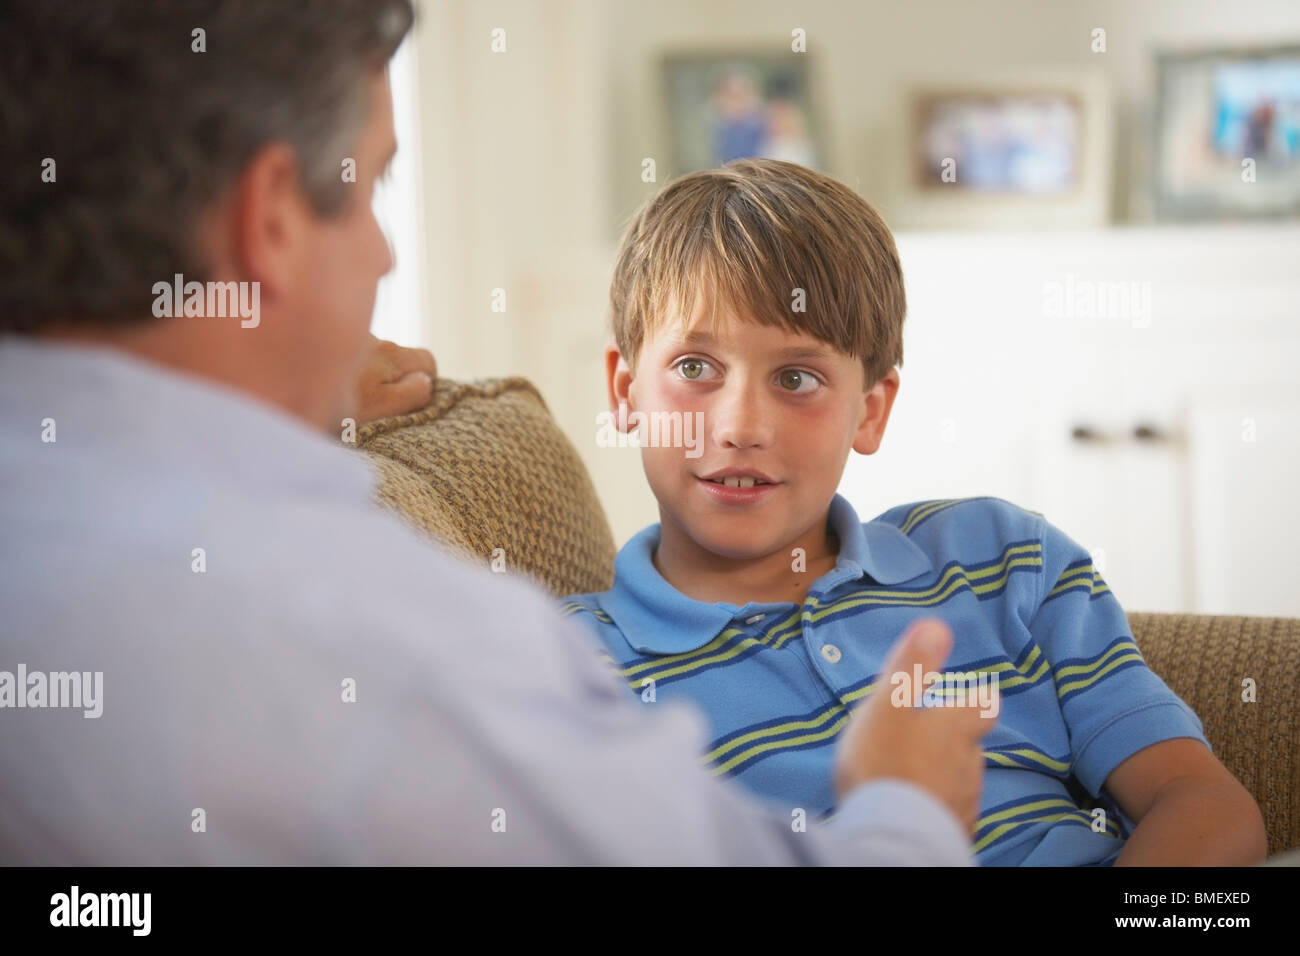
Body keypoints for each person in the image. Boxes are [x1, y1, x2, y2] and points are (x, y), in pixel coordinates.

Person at [0, 0, 987, 865]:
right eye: (375, 187)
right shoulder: (397, 642)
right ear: (269, 224)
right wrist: (901, 800)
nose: (387, 251)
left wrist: (262, 366)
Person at [561, 157, 1268, 866]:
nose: (742, 425)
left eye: (797, 377)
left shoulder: (1003, 558)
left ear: (870, 412)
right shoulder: (579, 668)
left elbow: (1205, 805)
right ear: (625, 393)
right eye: (694, 368)